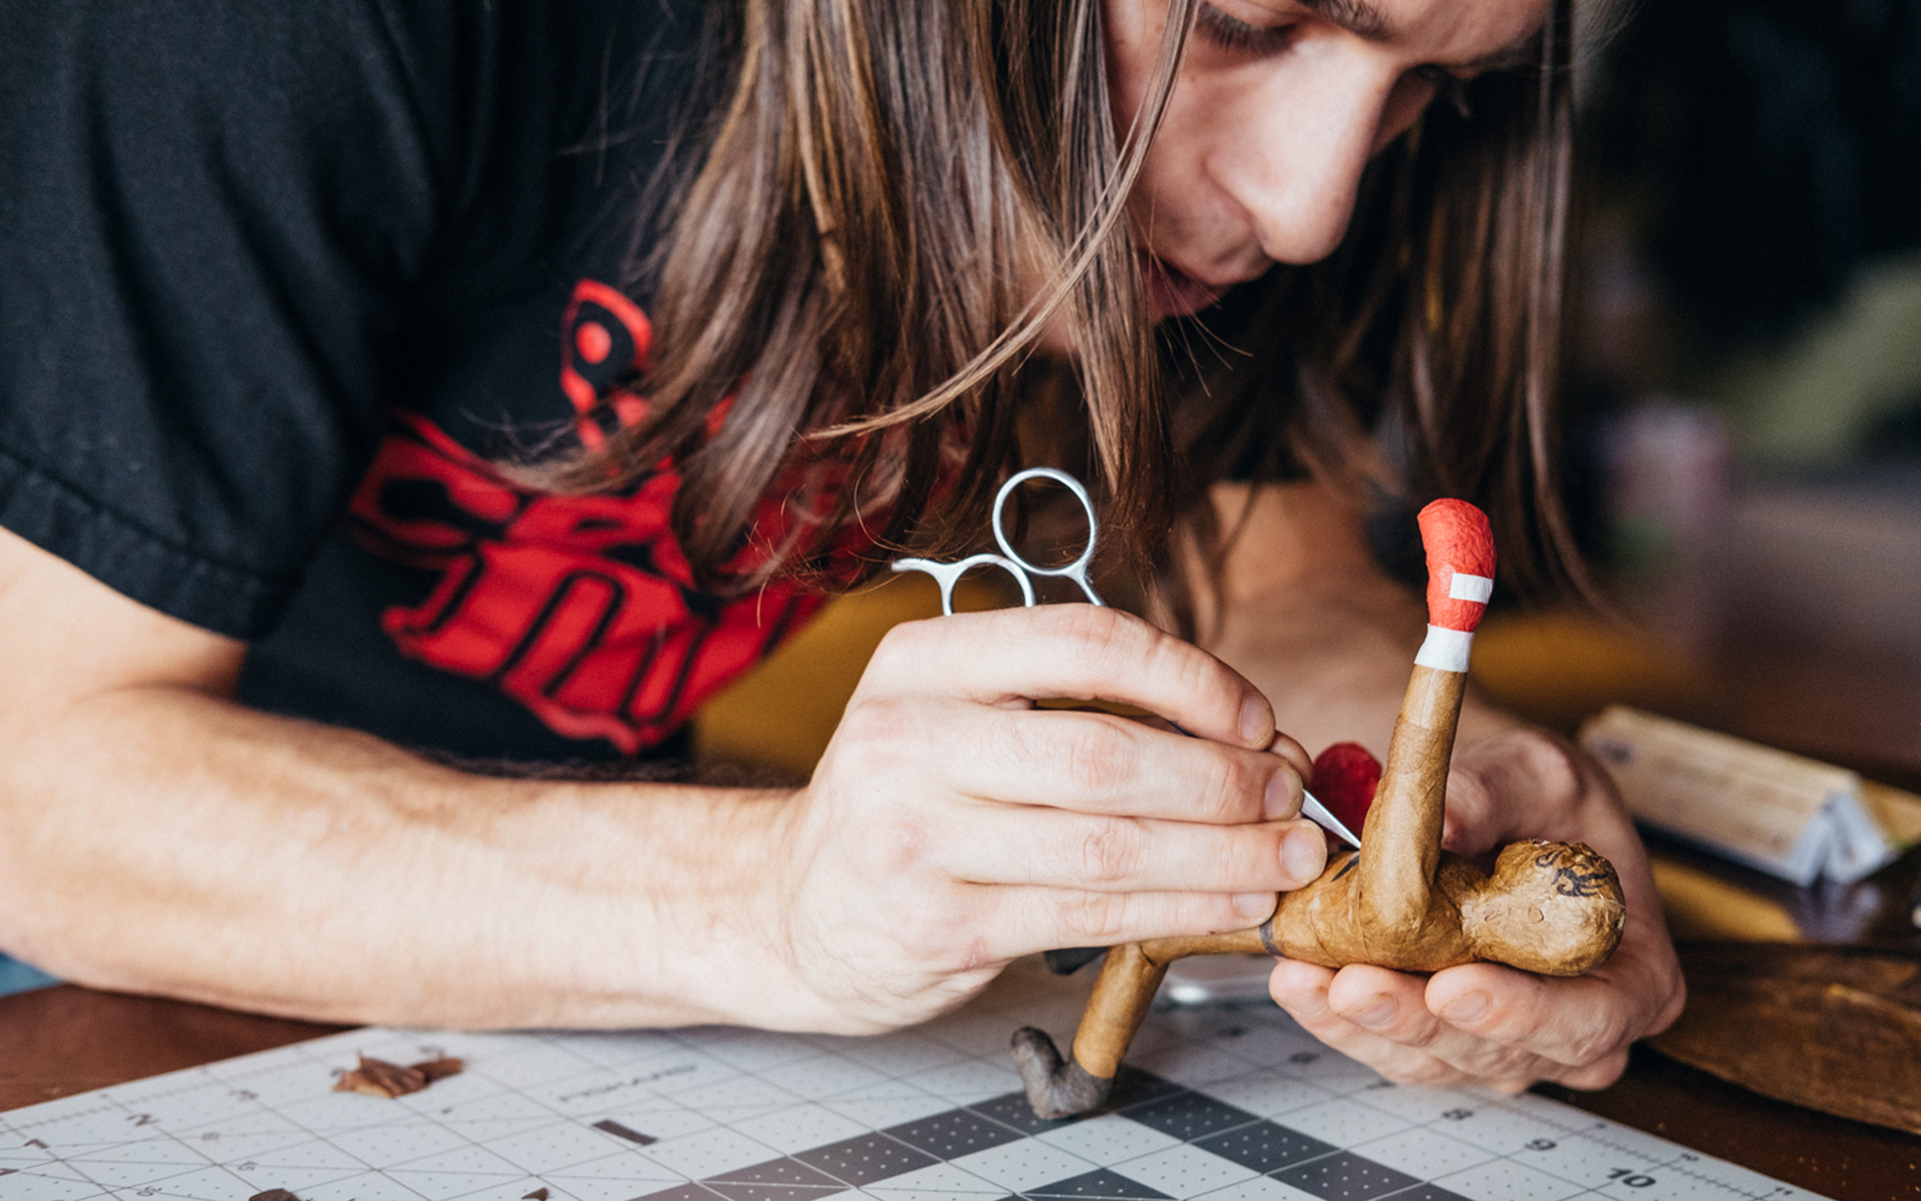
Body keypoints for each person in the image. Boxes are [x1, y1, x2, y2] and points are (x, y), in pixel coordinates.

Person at [0, 0, 1681, 1092]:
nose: (1313, 204)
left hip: (555, 1001)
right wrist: (771, 903)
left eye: (1425, 90)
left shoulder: (1211, 175)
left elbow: (1258, 550)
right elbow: (42, 795)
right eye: (1248, 22)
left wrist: (1424, 782)